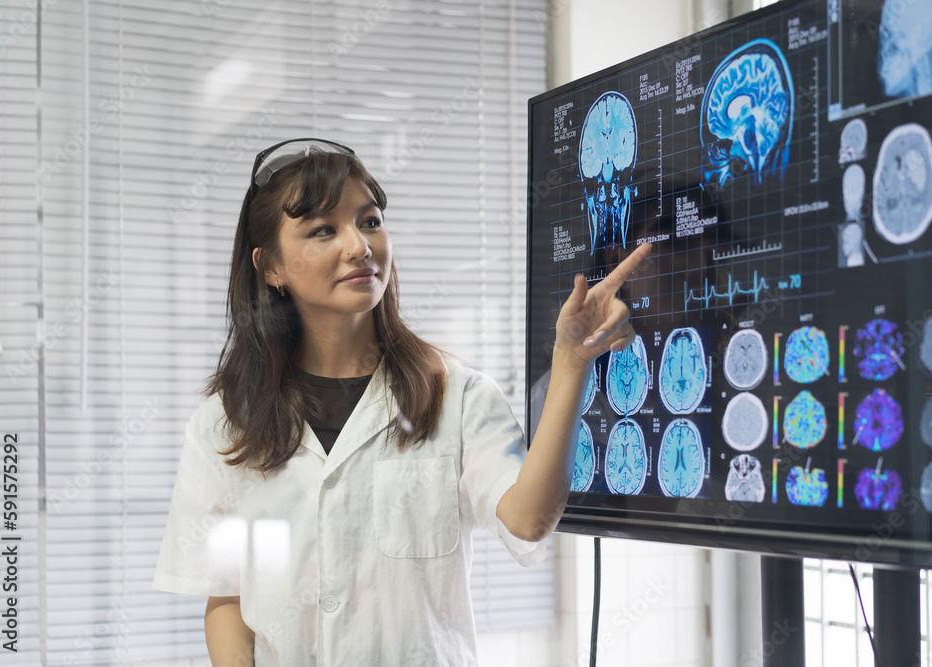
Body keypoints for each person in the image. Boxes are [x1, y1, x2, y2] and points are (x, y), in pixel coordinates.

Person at [152, 138, 651, 666]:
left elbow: (528, 519)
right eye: (323, 230)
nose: (359, 246)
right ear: (271, 267)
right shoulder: (228, 424)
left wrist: (572, 361)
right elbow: (227, 598)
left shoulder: (457, 395)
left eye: (369, 222)